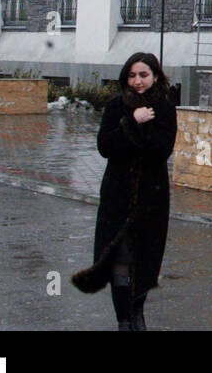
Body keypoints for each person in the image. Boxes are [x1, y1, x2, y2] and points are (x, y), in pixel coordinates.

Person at [72, 52, 177, 330]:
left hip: (151, 199)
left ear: (155, 76)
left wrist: (140, 129)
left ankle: (138, 315)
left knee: (142, 262)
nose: (137, 81)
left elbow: (160, 151)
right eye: (132, 75)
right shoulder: (116, 107)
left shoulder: (164, 108)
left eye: (143, 75)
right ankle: (124, 321)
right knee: (119, 260)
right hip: (117, 198)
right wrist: (131, 122)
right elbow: (106, 147)